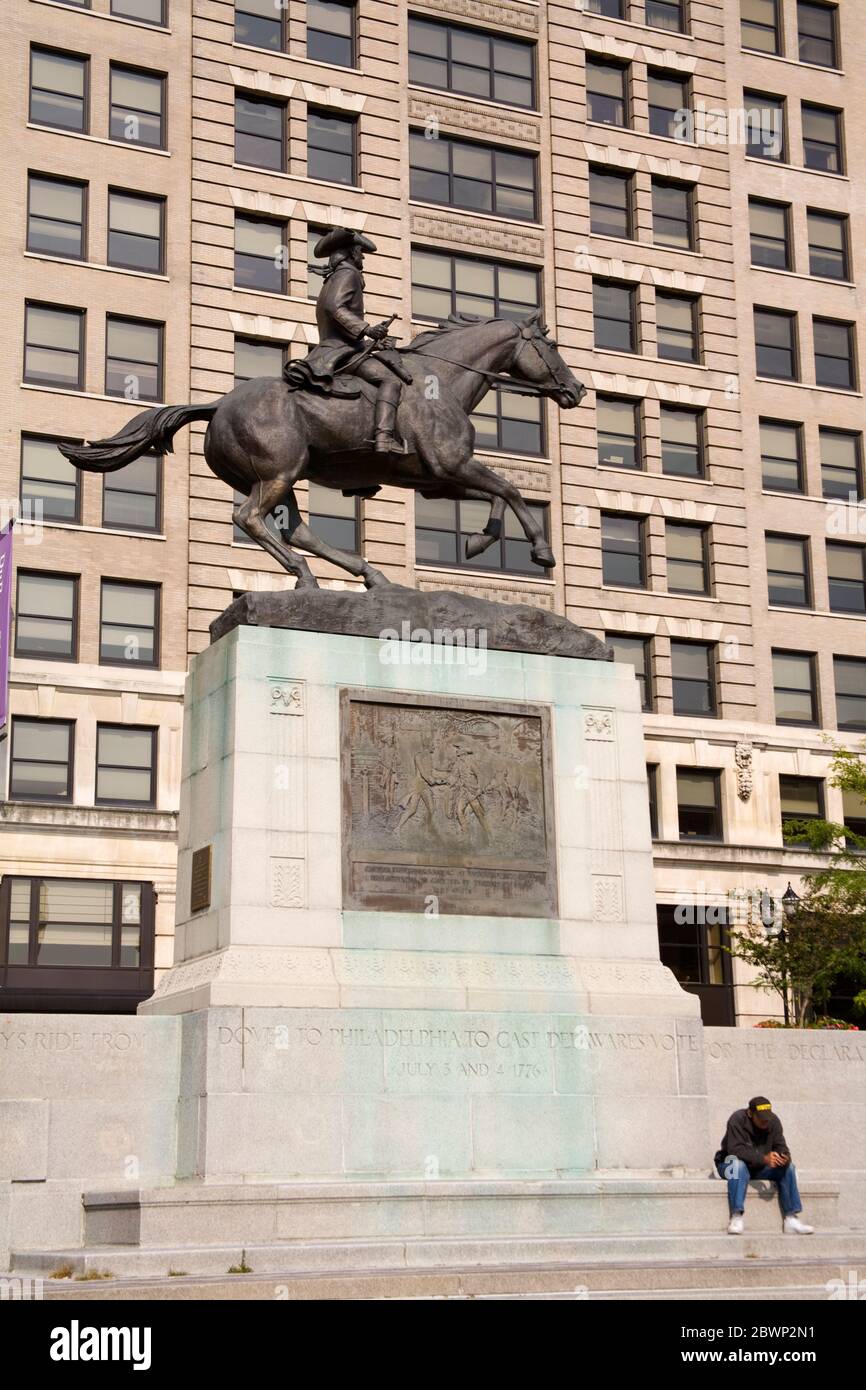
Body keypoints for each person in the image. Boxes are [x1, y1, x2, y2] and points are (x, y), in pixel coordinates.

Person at [285, 227, 412, 454]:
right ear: (352, 253)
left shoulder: (334, 277)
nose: (363, 256)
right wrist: (367, 329)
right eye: (360, 252)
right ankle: (384, 438)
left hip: (338, 349)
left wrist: (374, 342)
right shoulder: (348, 274)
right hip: (341, 352)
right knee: (391, 382)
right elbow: (335, 307)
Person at [714, 1095, 814, 1235]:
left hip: (758, 1167)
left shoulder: (773, 1122)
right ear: (750, 1113)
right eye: (761, 1118)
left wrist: (784, 1157)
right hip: (729, 1164)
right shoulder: (737, 1120)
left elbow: (781, 1146)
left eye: (767, 1118)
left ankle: (791, 1219)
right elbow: (735, 1150)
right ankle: (736, 1217)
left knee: (789, 1168)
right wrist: (763, 1159)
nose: (765, 1122)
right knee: (738, 1166)